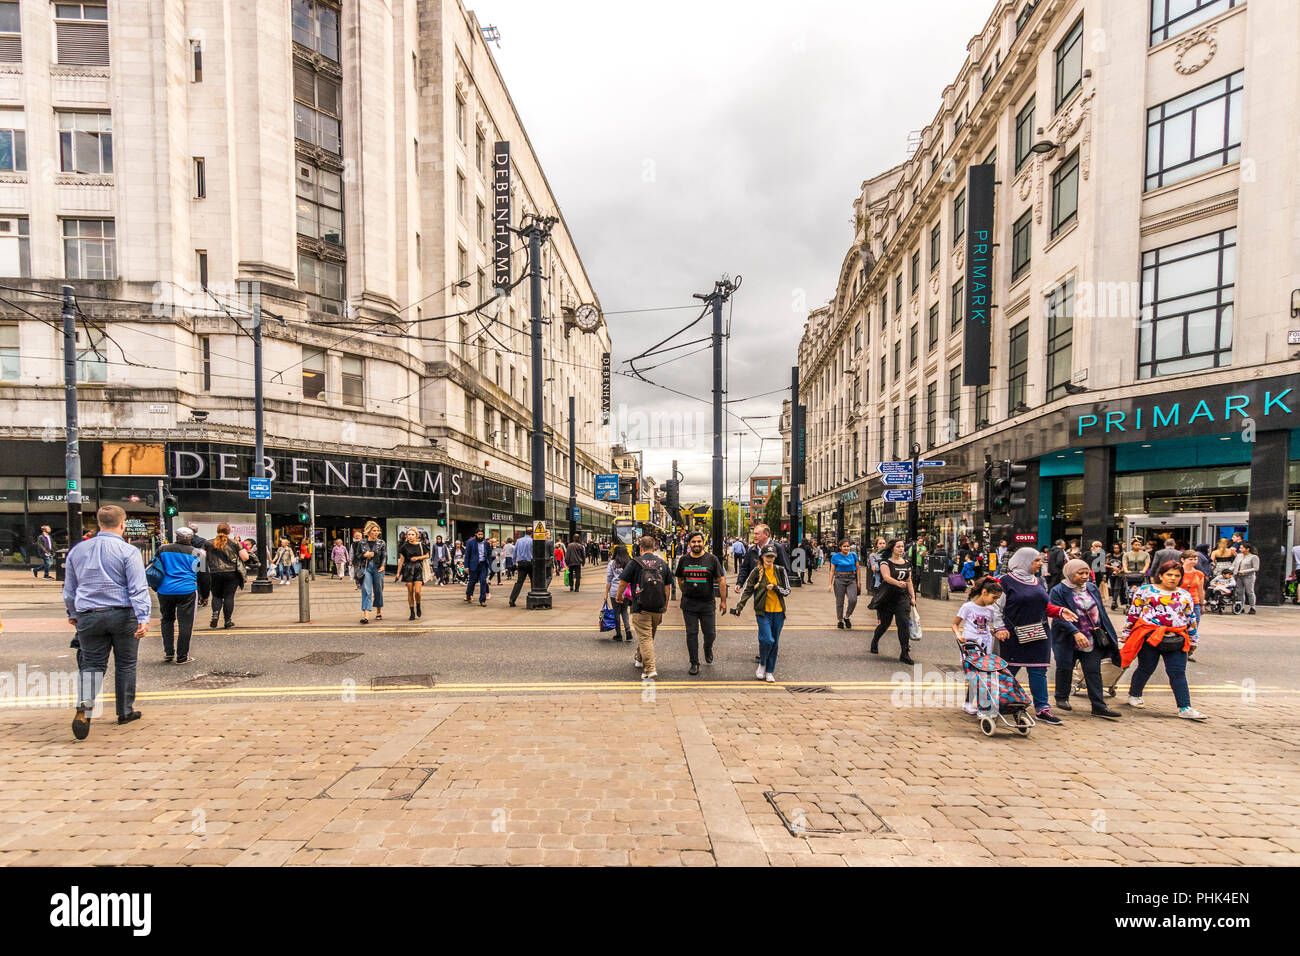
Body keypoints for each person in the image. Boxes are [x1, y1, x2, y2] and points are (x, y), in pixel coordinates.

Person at [64, 506, 151, 738]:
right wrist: (143, 618)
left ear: (98, 524)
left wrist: (73, 613)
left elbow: (70, 591)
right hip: (123, 615)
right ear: (122, 524)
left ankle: (85, 705)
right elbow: (137, 588)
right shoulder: (128, 551)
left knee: (91, 663)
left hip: (89, 615)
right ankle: (125, 711)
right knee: (126, 663)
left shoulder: (77, 551)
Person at [990, 547, 1078, 726]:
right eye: (1036, 560)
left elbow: (1044, 606)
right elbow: (996, 608)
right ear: (1024, 560)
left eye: (1040, 560)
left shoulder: (1039, 581)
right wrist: (999, 628)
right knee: (1008, 672)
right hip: (1012, 635)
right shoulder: (1005, 581)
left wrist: (1060, 611)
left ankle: (1042, 709)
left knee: (1038, 671)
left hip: (1039, 633)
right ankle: (995, 703)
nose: (1040, 563)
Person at [1121, 561, 1206, 720]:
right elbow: (1134, 612)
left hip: (1177, 637)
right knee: (1146, 667)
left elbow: (1190, 618)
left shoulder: (1184, 595)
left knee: (1177, 672)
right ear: (1160, 575)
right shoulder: (1145, 591)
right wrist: (1126, 631)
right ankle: (1135, 694)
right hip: (1149, 637)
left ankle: (1184, 707)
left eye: (1177, 576)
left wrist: (1194, 640)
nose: (1173, 578)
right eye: (1169, 575)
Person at [1048, 559, 1124, 720]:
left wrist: (1108, 632)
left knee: (1093, 670)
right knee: (1065, 667)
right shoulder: (1058, 590)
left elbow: (1101, 611)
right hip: (1067, 637)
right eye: (1080, 573)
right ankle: (1062, 697)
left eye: (1086, 573)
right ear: (1070, 573)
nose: (1084, 576)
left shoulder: (1092, 588)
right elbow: (1058, 616)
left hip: (1091, 637)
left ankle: (1098, 705)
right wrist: (1075, 632)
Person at [732, 544, 791, 682]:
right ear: (762, 557)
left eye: (772, 556)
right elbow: (747, 590)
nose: (770, 559)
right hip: (763, 612)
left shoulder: (780, 570)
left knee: (774, 642)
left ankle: (770, 671)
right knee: (767, 639)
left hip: (778, 612)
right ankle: (762, 664)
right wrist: (739, 607)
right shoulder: (756, 572)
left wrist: (776, 588)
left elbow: (787, 590)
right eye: (767, 556)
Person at [617, 535, 672, 680]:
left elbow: (623, 581)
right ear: (654, 548)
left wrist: (619, 596)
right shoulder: (662, 563)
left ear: (640, 548)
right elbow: (667, 587)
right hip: (658, 607)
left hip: (640, 607)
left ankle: (650, 669)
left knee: (645, 637)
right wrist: (665, 605)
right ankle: (639, 658)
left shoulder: (635, 563)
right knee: (647, 636)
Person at [674, 531, 727, 675]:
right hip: (689, 604)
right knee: (691, 633)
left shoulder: (712, 559)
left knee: (710, 633)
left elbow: (721, 580)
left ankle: (707, 647)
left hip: (707, 604)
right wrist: (685, 591)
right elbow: (679, 579)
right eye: (693, 542)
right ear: (689, 544)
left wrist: (723, 601)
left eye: (699, 541)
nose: (696, 544)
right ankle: (694, 662)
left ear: (703, 543)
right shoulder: (684, 560)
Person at [951, 576, 1004, 715]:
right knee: (975, 675)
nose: (995, 601)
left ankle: (972, 704)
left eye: (998, 598)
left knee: (982, 675)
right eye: (994, 597)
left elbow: (988, 626)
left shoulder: (991, 609)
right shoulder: (968, 607)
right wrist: (958, 635)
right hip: (970, 645)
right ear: (984, 592)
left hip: (985, 645)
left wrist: (995, 633)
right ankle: (974, 704)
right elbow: (955, 624)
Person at [153, 526, 201, 665]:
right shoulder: (197, 553)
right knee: (185, 623)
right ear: (191, 538)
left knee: (167, 620)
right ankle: (182, 657)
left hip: (165, 590)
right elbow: (202, 574)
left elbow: (155, 566)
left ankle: (168, 652)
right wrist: (204, 595)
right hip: (187, 590)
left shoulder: (163, 549)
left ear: (177, 536)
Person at [870, 539, 916, 665]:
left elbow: (909, 581)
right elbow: (886, 577)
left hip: (902, 598)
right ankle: (875, 640)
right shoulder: (885, 562)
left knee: (903, 624)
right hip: (887, 597)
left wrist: (913, 597)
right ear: (892, 548)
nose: (901, 549)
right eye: (898, 547)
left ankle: (905, 652)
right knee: (884, 624)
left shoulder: (906, 563)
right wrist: (898, 583)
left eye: (902, 547)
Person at [204, 523, 248, 629]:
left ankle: (215, 614)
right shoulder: (235, 543)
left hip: (214, 573)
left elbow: (201, 557)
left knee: (216, 596)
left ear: (217, 530)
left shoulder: (208, 543)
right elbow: (245, 557)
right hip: (232, 573)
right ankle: (227, 621)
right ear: (229, 531)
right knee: (229, 596)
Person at [734, 523, 792, 592]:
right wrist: (739, 583)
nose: (754, 536)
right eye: (754, 534)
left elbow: (786, 570)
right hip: (757, 590)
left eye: (757, 534)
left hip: (773, 591)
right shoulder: (751, 549)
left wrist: (777, 586)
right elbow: (745, 568)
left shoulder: (778, 548)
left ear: (766, 535)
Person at [356, 521, 386, 624]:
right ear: (369, 532)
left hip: (378, 568)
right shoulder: (362, 542)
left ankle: (378, 611)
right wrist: (365, 555)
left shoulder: (381, 543)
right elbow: (358, 556)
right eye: (374, 530)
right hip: (366, 568)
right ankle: (366, 616)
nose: (376, 532)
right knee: (366, 590)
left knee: (378, 590)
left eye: (377, 531)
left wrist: (383, 566)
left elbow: (384, 556)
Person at [395, 527, 427, 620]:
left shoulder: (421, 545)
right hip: (408, 569)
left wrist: (417, 558)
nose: (410, 536)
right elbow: (401, 561)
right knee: (410, 591)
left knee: (417, 592)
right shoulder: (403, 547)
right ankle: (412, 612)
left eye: (412, 534)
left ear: (416, 536)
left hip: (418, 569)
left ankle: (418, 605)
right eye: (409, 534)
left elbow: (427, 555)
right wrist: (398, 573)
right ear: (406, 536)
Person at [827, 539, 860, 630]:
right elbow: (832, 571)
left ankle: (847, 616)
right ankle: (840, 620)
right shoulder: (835, 557)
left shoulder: (854, 555)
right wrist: (830, 584)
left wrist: (859, 582)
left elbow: (858, 569)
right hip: (839, 579)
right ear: (840, 547)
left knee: (853, 600)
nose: (846, 548)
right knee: (840, 602)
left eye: (848, 546)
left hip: (851, 579)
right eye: (844, 546)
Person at [1180, 550, 1206, 661]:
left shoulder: (1199, 574)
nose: (1193, 561)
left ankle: (1188, 651)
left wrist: (1202, 604)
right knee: (1180, 628)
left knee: (1193, 628)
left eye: (1195, 559)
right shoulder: (1177, 572)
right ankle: (1180, 651)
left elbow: (1201, 590)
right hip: (1179, 603)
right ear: (1183, 560)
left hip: (1194, 603)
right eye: (1190, 559)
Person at [605, 544, 633, 642]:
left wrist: (605, 594)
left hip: (614, 590)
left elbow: (609, 579)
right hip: (627, 591)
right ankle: (628, 630)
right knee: (624, 610)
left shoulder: (612, 563)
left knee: (616, 612)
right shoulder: (629, 563)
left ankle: (619, 634)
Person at [464, 528, 493, 606]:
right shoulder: (470, 542)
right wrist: (466, 567)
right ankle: (468, 594)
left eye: (482, 534)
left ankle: (482, 600)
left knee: (483, 581)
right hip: (473, 565)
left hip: (483, 565)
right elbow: (467, 555)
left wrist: (489, 564)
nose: (480, 536)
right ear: (476, 534)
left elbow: (489, 554)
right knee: (472, 582)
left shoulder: (486, 544)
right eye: (479, 534)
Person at [1231, 542, 1258, 614]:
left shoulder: (1253, 557)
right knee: (1239, 592)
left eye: (1242, 548)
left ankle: (1252, 607)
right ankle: (1241, 606)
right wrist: (1229, 570)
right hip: (1238, 575)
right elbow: (1234, 565)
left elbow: (1256, 568)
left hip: (1248, 576)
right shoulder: (1239, 556)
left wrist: (1245, 571)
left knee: (1250, 592)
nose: (1240, 549)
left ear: (1247, 549)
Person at [509, 530, 534, 607]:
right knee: (534, 581)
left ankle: (512, 599)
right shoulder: (532, 541)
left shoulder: (519, 541)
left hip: (521, 563)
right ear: (532, 534)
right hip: (530, 563)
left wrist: (514, 563)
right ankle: (534, 598)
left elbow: (514, 553)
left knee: (519, 582)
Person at [1105, 542, 1125, 610]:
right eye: (1115, 548)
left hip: (1120, 573)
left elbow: (1125, 563)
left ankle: (1113, 601)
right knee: (1113, 587)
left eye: (1118, 548)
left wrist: (1122, 569)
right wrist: (1112, 567)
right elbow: (1105, 564)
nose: (1116, 549)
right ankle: (1115, 601)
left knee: (1117, 587)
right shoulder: (1109, 555)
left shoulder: (1123, 555)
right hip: (1111, 573)